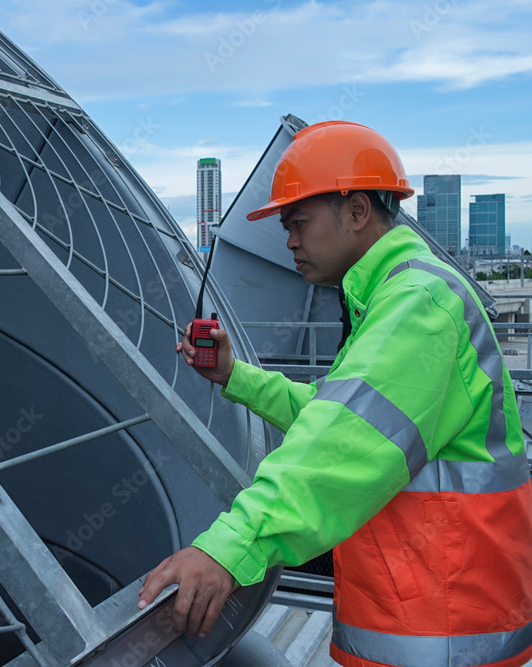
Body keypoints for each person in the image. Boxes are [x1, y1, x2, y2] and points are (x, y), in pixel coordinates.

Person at [137, 120, 532, 667]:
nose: (289, 240)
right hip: (428, 622)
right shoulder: (398, 295)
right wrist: (236, 377)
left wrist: (228, 549)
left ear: (356, 212)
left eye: (298, 222)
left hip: (443, 637)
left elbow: (338, 443)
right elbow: (340, 414)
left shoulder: (420, 305)